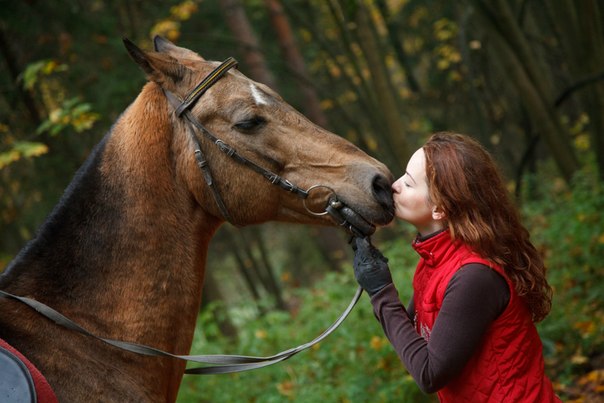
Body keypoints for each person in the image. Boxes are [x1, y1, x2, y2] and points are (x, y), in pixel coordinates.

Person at [352, 132, 561, 402]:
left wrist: (381, 292)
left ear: (440, 208)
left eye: (409, 183)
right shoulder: (434, 263)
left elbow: (429, 373)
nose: (395, 186)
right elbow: (409, 340)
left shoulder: (474, 276)